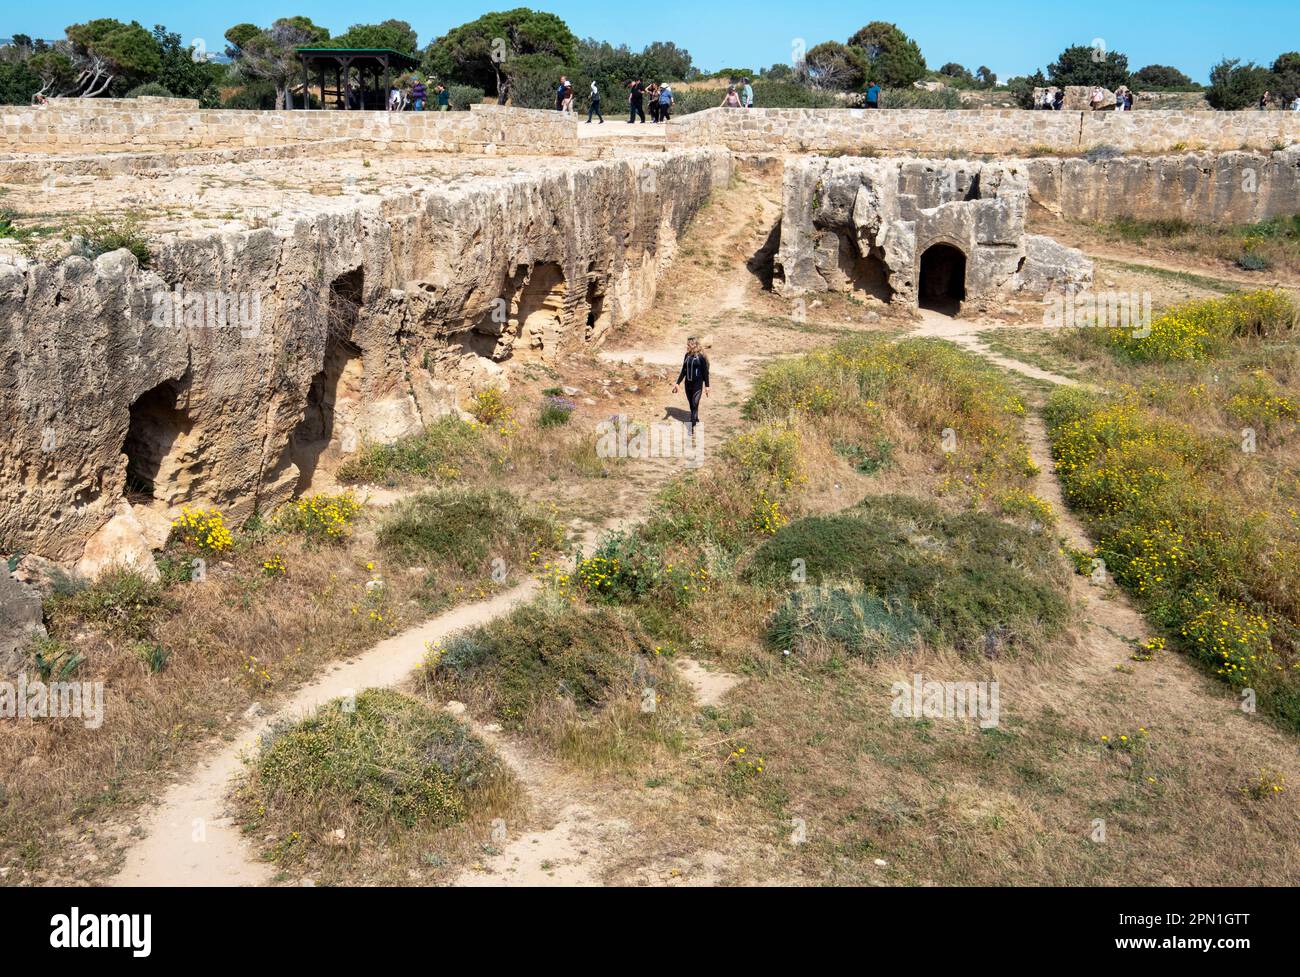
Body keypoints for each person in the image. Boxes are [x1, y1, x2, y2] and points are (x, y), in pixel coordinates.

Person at [671, 337, 710, 429]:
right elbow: (683, 370)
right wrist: (678, 383)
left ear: (694, 345)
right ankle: (695, 418)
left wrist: (707, 386)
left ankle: (691, 426)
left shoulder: (700, 357)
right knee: (691, 405)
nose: (687, 346)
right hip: (688, 385)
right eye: (687, 344)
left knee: (694, 403)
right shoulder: (687, 356)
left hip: (697, 385)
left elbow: (705, 372)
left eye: (689, 344)